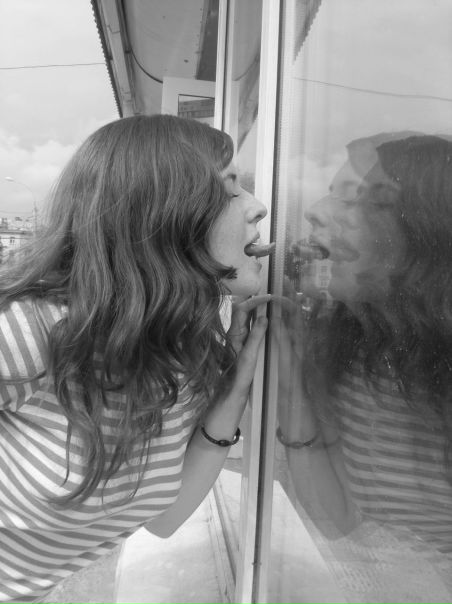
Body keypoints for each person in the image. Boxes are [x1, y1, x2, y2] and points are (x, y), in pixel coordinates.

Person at [0, 114, 274, 603]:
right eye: (231, 189)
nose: (259, 206)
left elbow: (165, 519)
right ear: (163, 215)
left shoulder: (182, 352)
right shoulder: (34, 328)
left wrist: (234, 386)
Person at [276, 133, 452, 573]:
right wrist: (290, 379)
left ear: (428, 234)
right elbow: (342, 522)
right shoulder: (356, 348)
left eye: (373, 202)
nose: (316, 210)